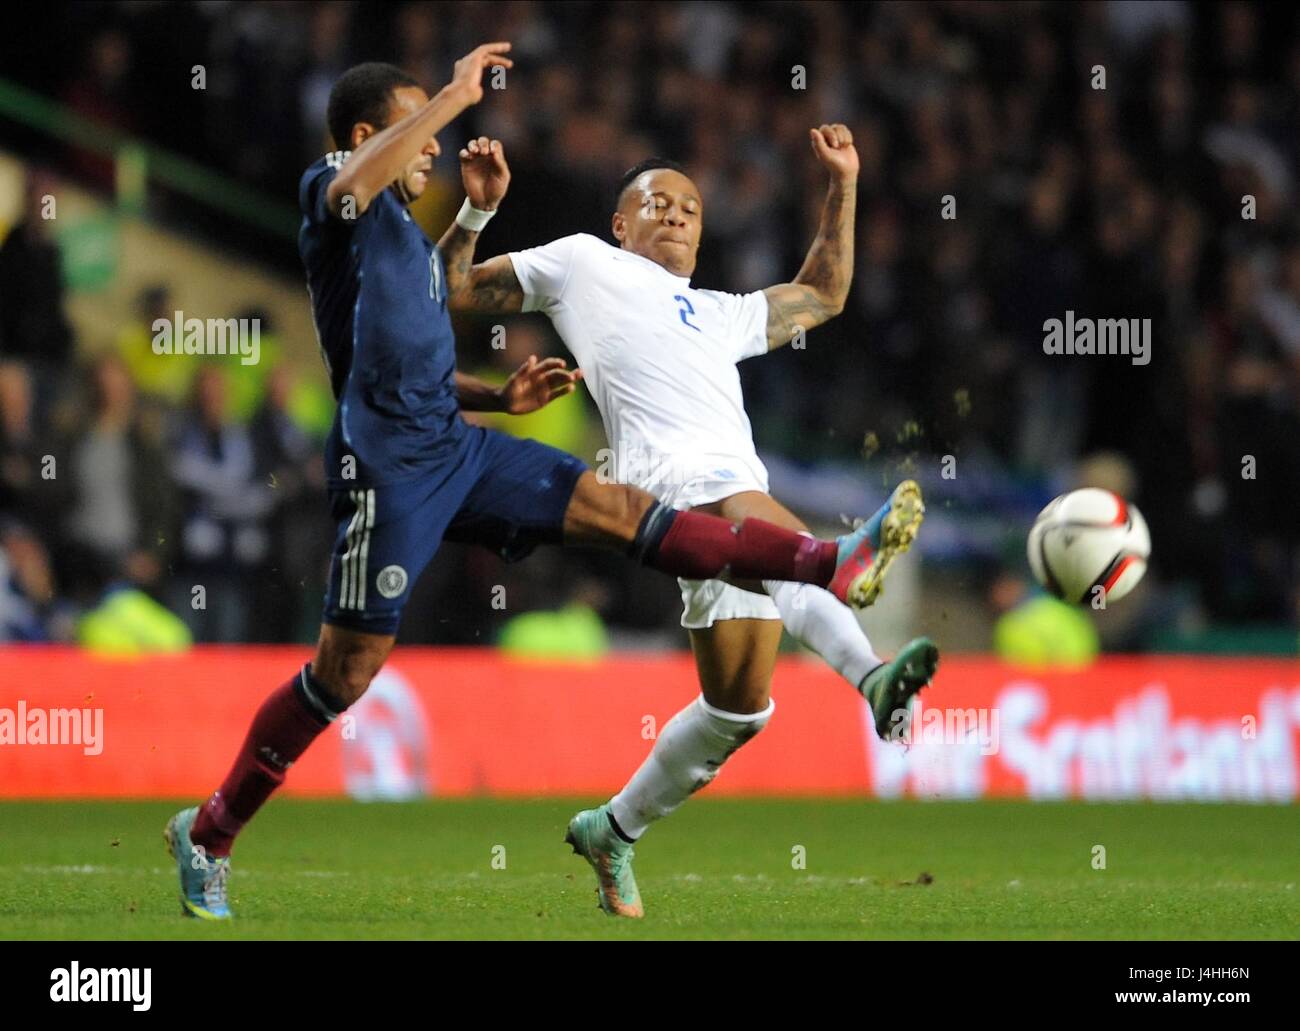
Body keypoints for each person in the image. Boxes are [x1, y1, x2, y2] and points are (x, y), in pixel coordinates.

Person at [164, 47, 909, 921]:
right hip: (391, 467)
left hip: (460, 443)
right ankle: (209, 831)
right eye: (416, 132)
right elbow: (375, 233)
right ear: (366, 137)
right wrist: (450, 98)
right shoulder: (335, 198)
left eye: (690, 206)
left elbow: (409, 354)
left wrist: (496, 392)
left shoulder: (407, 233)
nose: (434, 147)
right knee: (346, 670)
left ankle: (827, 563)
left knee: (630, 515)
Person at [449, 128, 938, 916]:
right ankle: (867, 661)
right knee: (792, 552)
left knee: (739, 708)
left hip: (739, 497)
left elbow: (823, 294)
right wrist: (476, 213)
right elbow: (458, 289)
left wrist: (843, 184)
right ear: (620, 223)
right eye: (657, 202)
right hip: (664, 487)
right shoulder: (582, 262)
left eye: (691, 208)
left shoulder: (718, 312)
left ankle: (612, 828)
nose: (676, 215)